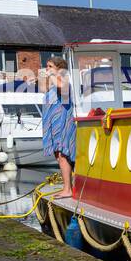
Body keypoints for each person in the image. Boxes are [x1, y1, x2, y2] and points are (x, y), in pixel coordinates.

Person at [40, 56, 76, 193]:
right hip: (53, 125)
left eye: (50, 66)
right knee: (58, 155)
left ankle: (67, 189)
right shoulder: (53, 83)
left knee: (63, 154)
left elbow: (62, 89)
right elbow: (46, 92)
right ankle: (68, 186)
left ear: (59, 68)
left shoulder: (64, 80)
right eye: (46, 66)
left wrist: (54, 75)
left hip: (63, 123)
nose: (47, 69)